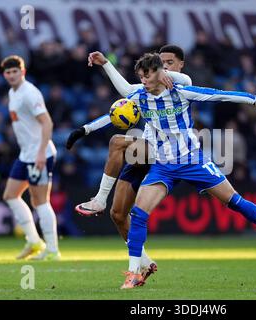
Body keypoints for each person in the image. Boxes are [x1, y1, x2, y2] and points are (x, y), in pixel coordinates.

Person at [108, 52, 256, 289]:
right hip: (163, 166)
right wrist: (105, 63)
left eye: (147, 76)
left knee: (235, 202)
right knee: (139, 213)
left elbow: (219, 95)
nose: (143, 81)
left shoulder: (181, 93)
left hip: (193, 161)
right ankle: (133, 273)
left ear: (160, 74)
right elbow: (123, 88)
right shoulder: (139, 96)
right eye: (141, 77)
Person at [66, 45, 192, 284]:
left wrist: (166, 75)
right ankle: (145, 263)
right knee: (118, 214)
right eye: (161, 63)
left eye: (169, 63)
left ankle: (99, 199)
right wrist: (85, 129)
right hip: (143, 152)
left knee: (117, 142)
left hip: (167, 153)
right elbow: (122, 103)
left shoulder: (182, 85)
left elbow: (183, 78)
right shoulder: (145, 91)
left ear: (180, 65)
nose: (165, 67)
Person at [1, 55, 60, 261]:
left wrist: (41, 153)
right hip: (25, 155)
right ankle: (34, 241)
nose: (11, 75)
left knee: (40, 201)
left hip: (39, 154)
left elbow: (47, 123)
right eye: (7, 72)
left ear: (22, 72)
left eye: (14, 71)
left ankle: (52, 250)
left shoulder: (29, 93)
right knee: (10, 195)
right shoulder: (12, 92)